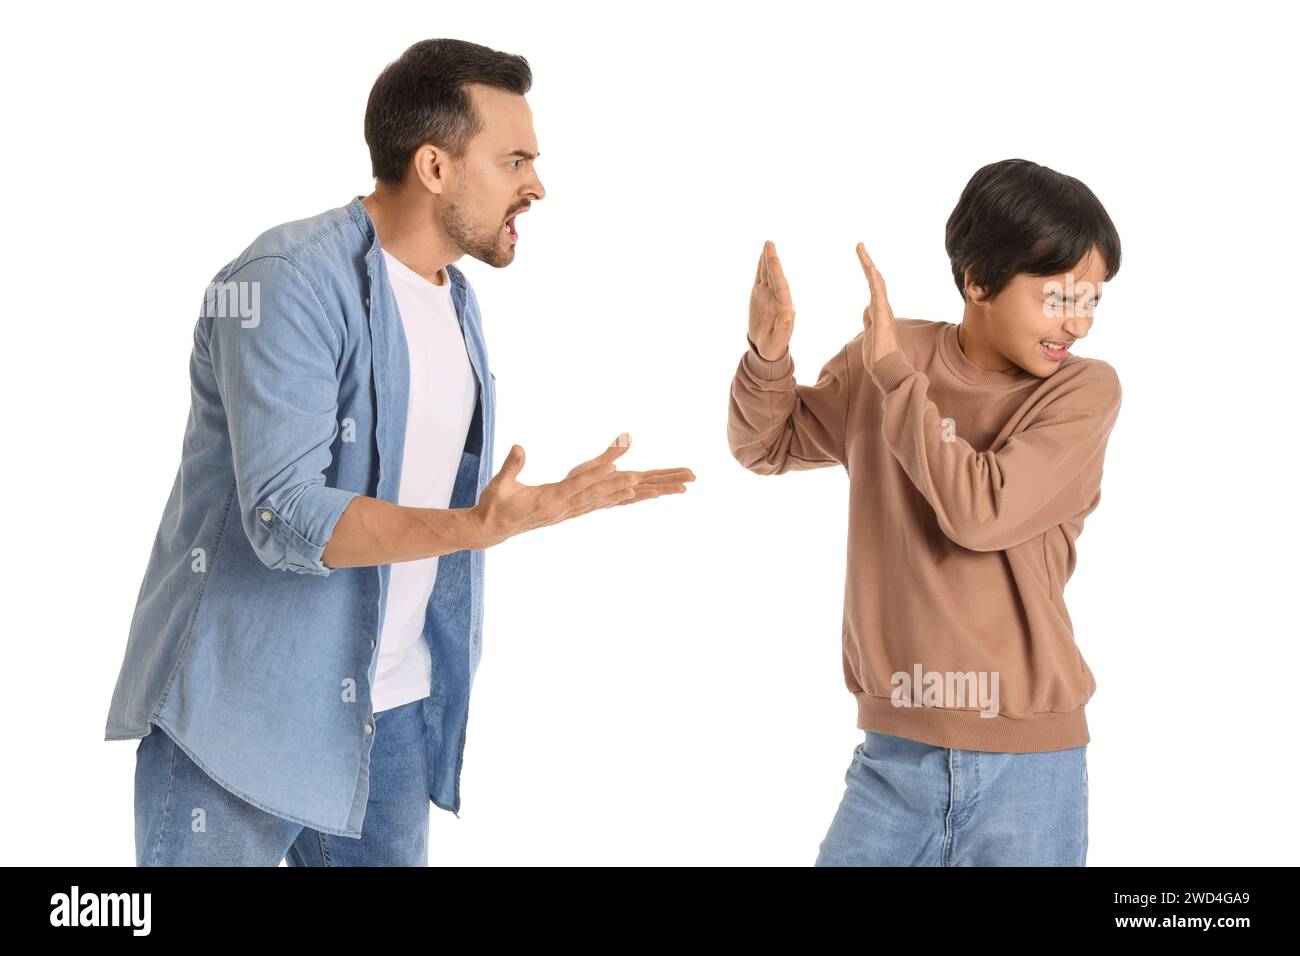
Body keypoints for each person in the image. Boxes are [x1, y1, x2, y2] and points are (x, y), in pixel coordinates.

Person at [112, 37, 695, 867]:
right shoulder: (288, 280)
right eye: (515, 159)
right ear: (433, 166)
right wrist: (476, 526)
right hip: (242, 721)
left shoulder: (454, 299)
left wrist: (510, 518)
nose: (536, 185)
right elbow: (286, 515)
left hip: (390, 720)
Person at [728, 158, 1122, 865]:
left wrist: (894, 381)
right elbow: (768, 445)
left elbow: (980, 510)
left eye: (1092, 300)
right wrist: (769, 353)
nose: (1080, 324)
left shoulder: (1082, 394)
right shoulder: (888, 355)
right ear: (978, 279)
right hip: (894, 759)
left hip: (1028, 769)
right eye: (1060, 297)